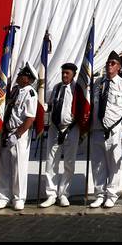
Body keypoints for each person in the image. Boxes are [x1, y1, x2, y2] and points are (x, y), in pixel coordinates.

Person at [0, 64, 38, 211]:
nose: (18, 76)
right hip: (7, 131)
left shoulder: (31, 94)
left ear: (27, 79)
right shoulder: (15, 90)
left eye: (21, 75)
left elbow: (30, 119)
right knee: (3, 166)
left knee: (18, 168)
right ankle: (3, 197)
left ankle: (18, 198)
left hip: (19, 134)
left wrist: (17, 135)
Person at [89, 53, 122, 208]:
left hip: (114, 131)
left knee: (113, 164)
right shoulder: (98, 83)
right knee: (98, 165)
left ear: (119, 67)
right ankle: (100, 194)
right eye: (108, 63)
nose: (109, 65)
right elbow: (93, 107)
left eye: (113, 63)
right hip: (97, 129)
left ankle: (112, 194)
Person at [40, 63, 81, 208]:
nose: (64, 75)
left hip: (70, 129)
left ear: (73, 74)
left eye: (67, 73)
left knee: (69, 163)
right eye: (63, 73)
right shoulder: (57, 88)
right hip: (54, 128)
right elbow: (51, 105)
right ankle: (51, 194)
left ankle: (64, 193)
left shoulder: (77, 90)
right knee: (51, 162)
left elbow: (81, 111)